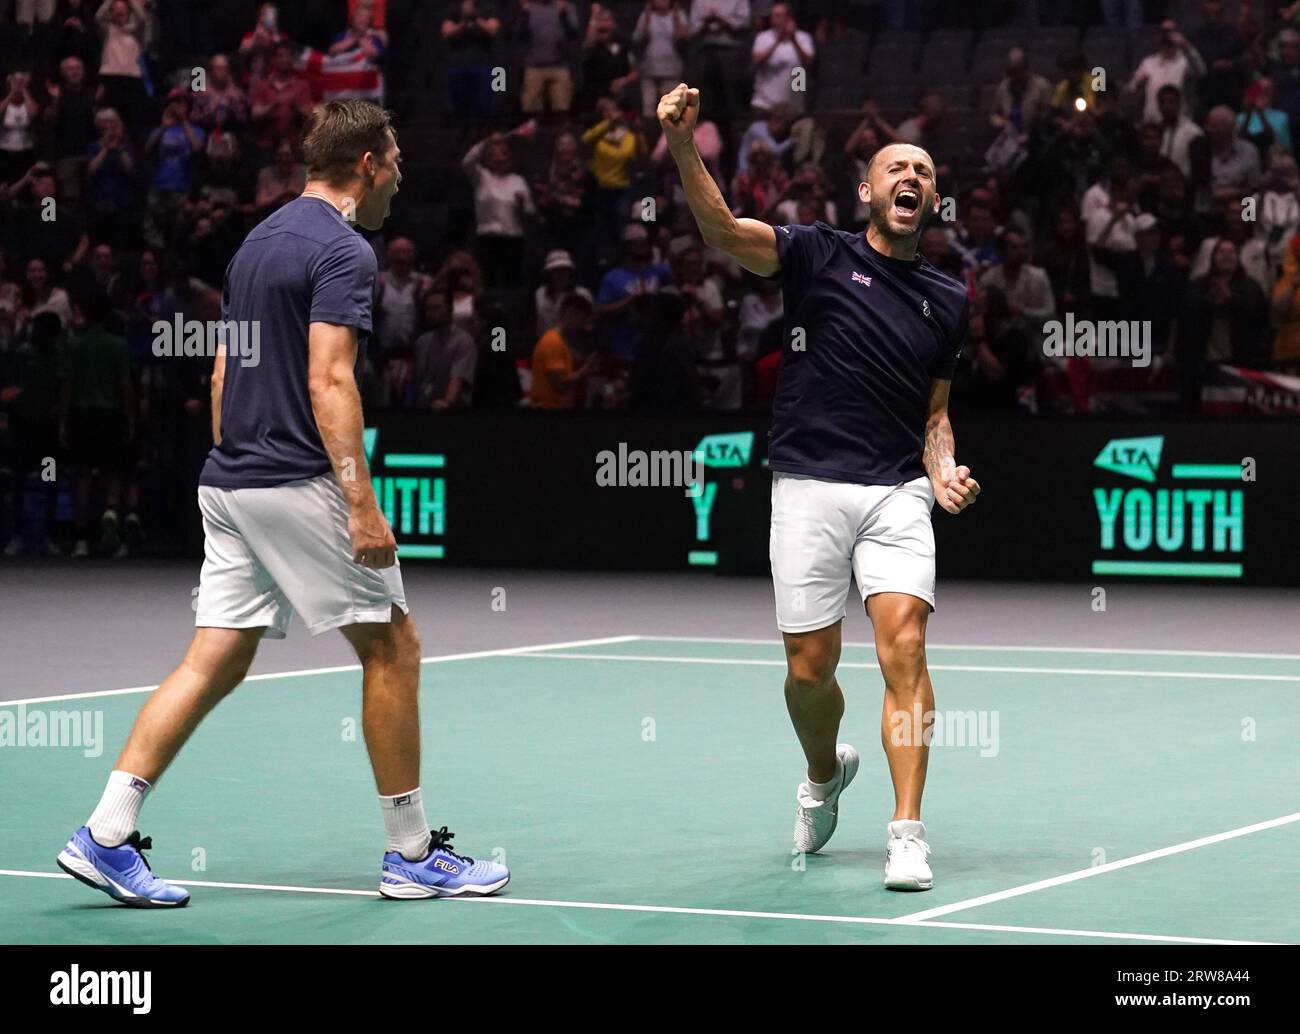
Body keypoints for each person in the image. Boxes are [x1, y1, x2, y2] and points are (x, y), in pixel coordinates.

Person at [56, 100, 510, 908]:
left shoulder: (256, 242)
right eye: (396, 160)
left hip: (229, 479)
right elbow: (329, 379)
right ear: (365, 162)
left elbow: (224, 373)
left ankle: (106, 832)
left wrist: (239, 460)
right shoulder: (344, 249)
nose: (401, 177)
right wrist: (360, 503)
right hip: (296, 482)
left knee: (214, 657)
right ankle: (410, 855)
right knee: (394, 649)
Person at [658, 82, 978, 891]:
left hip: (896, 491)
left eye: (925, 171)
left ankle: (907, 831)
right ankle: (824, 770)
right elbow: (720, 229)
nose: (912, 176)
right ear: (867, 191)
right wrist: (682, 141)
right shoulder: (817, 253)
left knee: (904, 646)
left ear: (933, 199)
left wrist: (942, 471)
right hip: (807, 485)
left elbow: (935, 414)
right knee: (809, 670)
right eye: (895, 167)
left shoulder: (948, 298)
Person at [530, 292, 594, 409]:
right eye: (582, 320)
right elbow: (559, 385)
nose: (583, 326)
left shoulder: (559, 341)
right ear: (571, 314)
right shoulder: (553, 342)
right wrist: (585, 370)